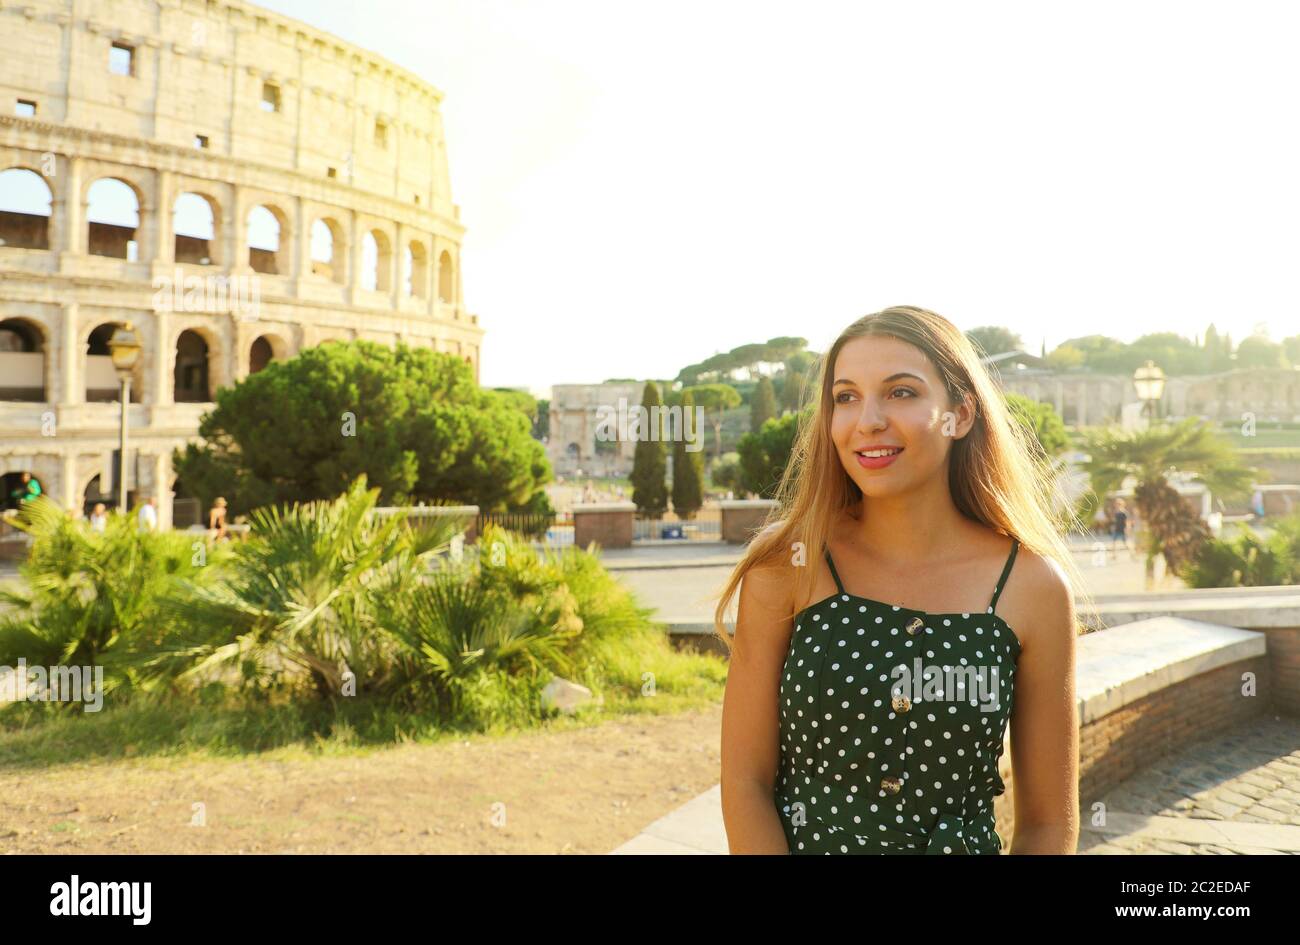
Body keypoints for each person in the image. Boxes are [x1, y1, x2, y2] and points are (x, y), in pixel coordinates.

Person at [717, 306, 1082, 855]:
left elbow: (1049, 826)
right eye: (846, 397)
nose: (867, 420)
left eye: (901, 393)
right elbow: (745, 784)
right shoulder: (787, 567)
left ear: (959, 414)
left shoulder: (1032, 586)